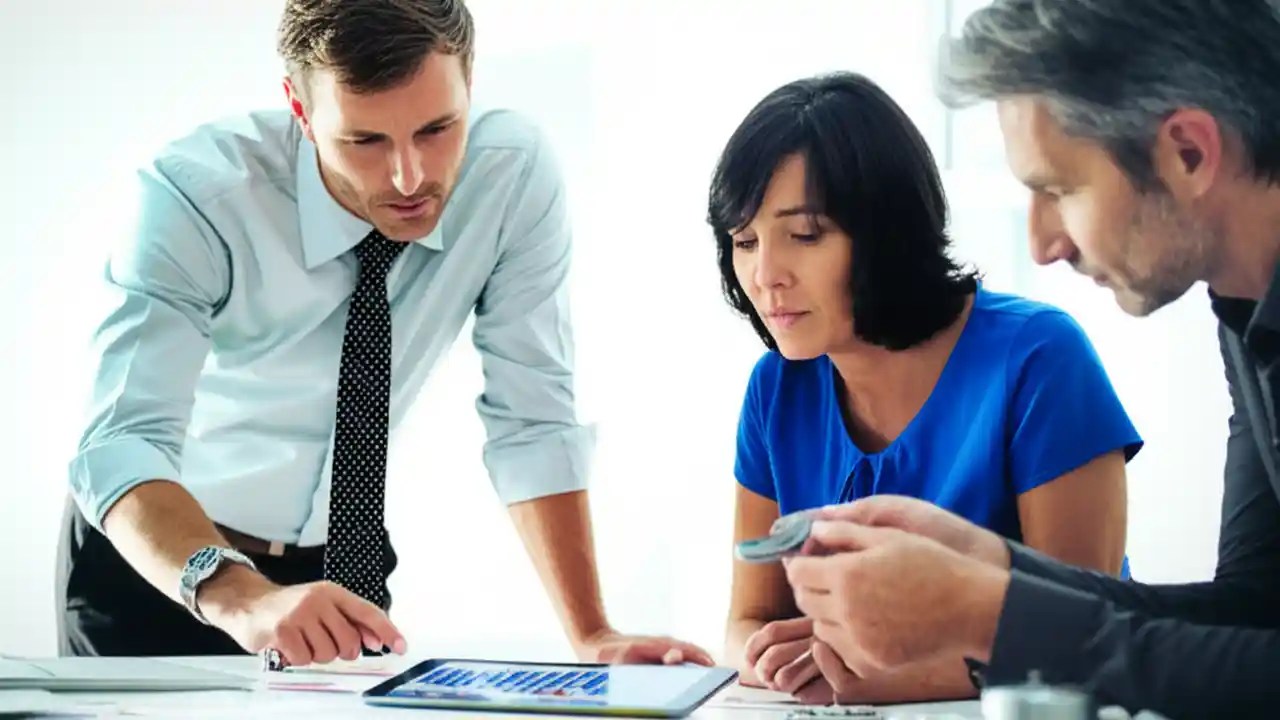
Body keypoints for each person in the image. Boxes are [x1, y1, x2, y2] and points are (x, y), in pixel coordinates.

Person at [56, 0, 710, 669]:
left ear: (470, 83)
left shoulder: (510, 175)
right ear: (301, 110)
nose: (410, 177)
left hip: (342, 573)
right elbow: (121, 443)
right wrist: (245, 597)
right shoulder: (196, 196)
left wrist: (592, 632)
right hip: (166, 564)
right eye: (364, 141)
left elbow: (533, 420)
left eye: (437, 128)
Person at [779, 1, 1280, 717]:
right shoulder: (1246, 310)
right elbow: (1257, 608)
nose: (1044, 242)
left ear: (1189, 153)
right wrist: (999, 570)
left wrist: (994, 619)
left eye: (1058, 189)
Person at [706, 72, 1142, 705]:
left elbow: (1082, 634)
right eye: (744, 242)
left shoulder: (1039, 356)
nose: (766, 274)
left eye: (805, 235)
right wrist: (775, 658)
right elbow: (746, 623)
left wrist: (875, 672)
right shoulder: (776, 388)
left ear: (886, 230)